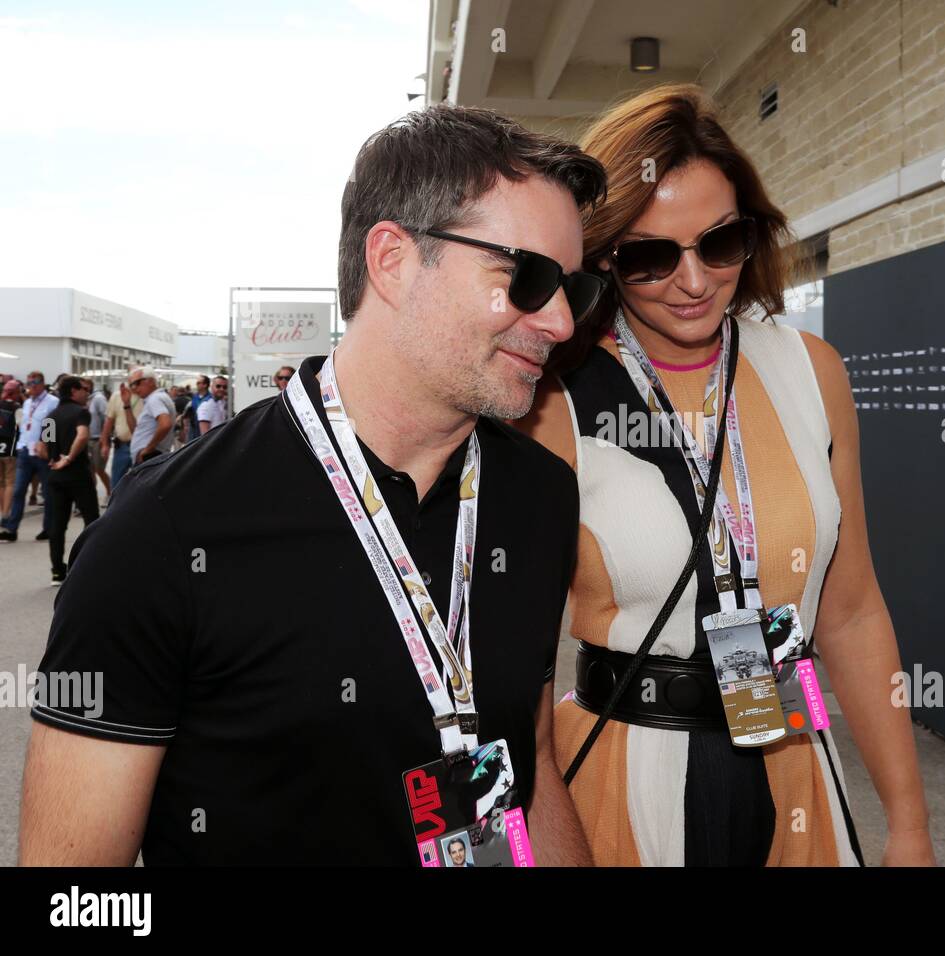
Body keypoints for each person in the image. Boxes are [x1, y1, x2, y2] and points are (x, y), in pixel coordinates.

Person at [19, 103, 608, 866]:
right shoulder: (163, 530)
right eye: (525, 277)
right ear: (393, 260)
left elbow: (530, 761)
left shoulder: (541, 495)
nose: (560, 322)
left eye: (575, 288)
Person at [517, 84, 936, 866]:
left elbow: (849, 614)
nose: (694, 280)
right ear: (604, 256)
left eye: (720, 243)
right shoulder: (554, 400)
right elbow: (520, 659)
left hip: (792, 755)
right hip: (625, 770)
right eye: (650, 255)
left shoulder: (811, 372)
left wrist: (908, 824)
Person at [37, 376, 100, 584]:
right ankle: (89, 566)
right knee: (91, 520)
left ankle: (57, 571)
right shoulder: (81, 413)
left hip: (55, 476)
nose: (87, 392)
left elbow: (41, 448)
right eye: (84, 388)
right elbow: (82, 436)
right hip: (77, 474)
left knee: (58, 523)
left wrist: (56, 460)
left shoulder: (51, 415)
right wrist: (69, 458)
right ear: (73, 391)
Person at [0, 371, 58, 543]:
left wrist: (46, 443)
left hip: (41, 453)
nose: (31, 386)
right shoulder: (27, 403)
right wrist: (20, 445)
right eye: (29, 382)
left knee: (48, 492)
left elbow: (52, 424)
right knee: (18, 490)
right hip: (25, 451)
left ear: (42, 383)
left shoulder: (52, 402)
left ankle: (48, 528)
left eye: (35, 382)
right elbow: (24, 426)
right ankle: (12, 529)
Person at [126, 366, 175, 465]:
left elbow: (165, 424)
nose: (134, 388)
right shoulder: (159, 397)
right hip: (153, 456)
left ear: (151, 381)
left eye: (137, 383)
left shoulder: (155, 399)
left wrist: (148, 449)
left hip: (150, 457)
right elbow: (136, 430)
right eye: (131, 385)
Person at [101, 373, 141, 490]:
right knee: (117, 483)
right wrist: (105, 444)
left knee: (139, 484)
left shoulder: (146, 397)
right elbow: (109, 421)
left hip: (140, 447)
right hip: (121, 446)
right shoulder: (116, 396)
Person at [85, 380, 111, 502]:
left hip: (97, 439)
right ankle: (90, 497)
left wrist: (104, 438)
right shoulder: (85, 400)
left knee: (99, 469)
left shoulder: (99, 398)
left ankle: (110, 493)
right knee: (89, 470)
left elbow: (107, 418)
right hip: (87, 440)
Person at [0, 379, 21, 523]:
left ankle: (2, 511)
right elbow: (21, 428)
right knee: (9, 482)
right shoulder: (17, 408)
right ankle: (6, 514)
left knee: (0, 482)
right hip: (10, 449)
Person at [183, 375, 211, 443]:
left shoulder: (210, 399)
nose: (196, 385)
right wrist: (186, 425)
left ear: (205, 385)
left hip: (204, 430)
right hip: (193, 430)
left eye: (198, 383)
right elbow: (188, 412)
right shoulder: (194, 397)